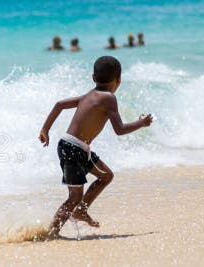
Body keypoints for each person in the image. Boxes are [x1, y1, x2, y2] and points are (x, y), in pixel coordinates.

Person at [38, 56, 153, 238]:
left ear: (93, 77)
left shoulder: (88, 95)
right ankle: (52, 232)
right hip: (73, 148)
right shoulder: (109, 98)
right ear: (118, 80)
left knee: (106, 176)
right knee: (74, 196)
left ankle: (81, 211)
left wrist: (45, 128)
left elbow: (59, 104)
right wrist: (141, 123)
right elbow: (120, 130)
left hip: (76, 148)